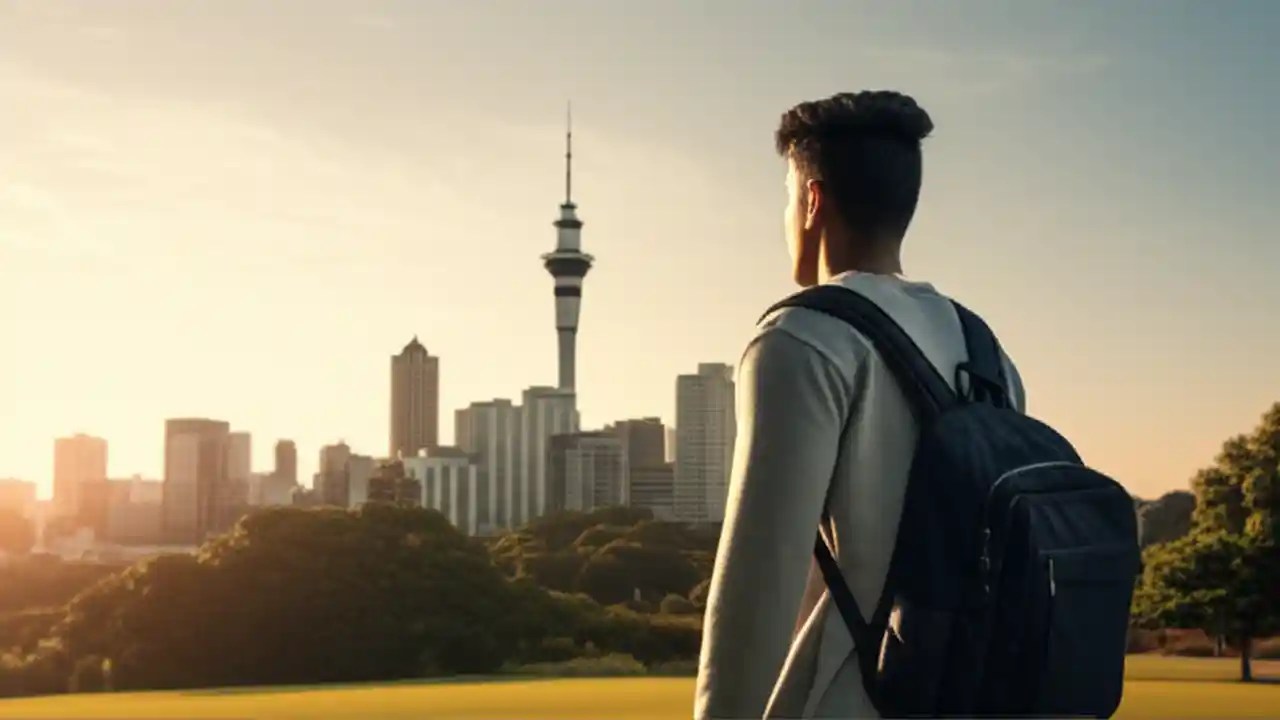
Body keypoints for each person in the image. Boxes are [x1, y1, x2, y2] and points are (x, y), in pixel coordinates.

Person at [693, 91, 1027, 719]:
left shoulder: (802, 339)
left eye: (788, 199)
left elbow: (759, 584)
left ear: (812, 200)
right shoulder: (986, 351)